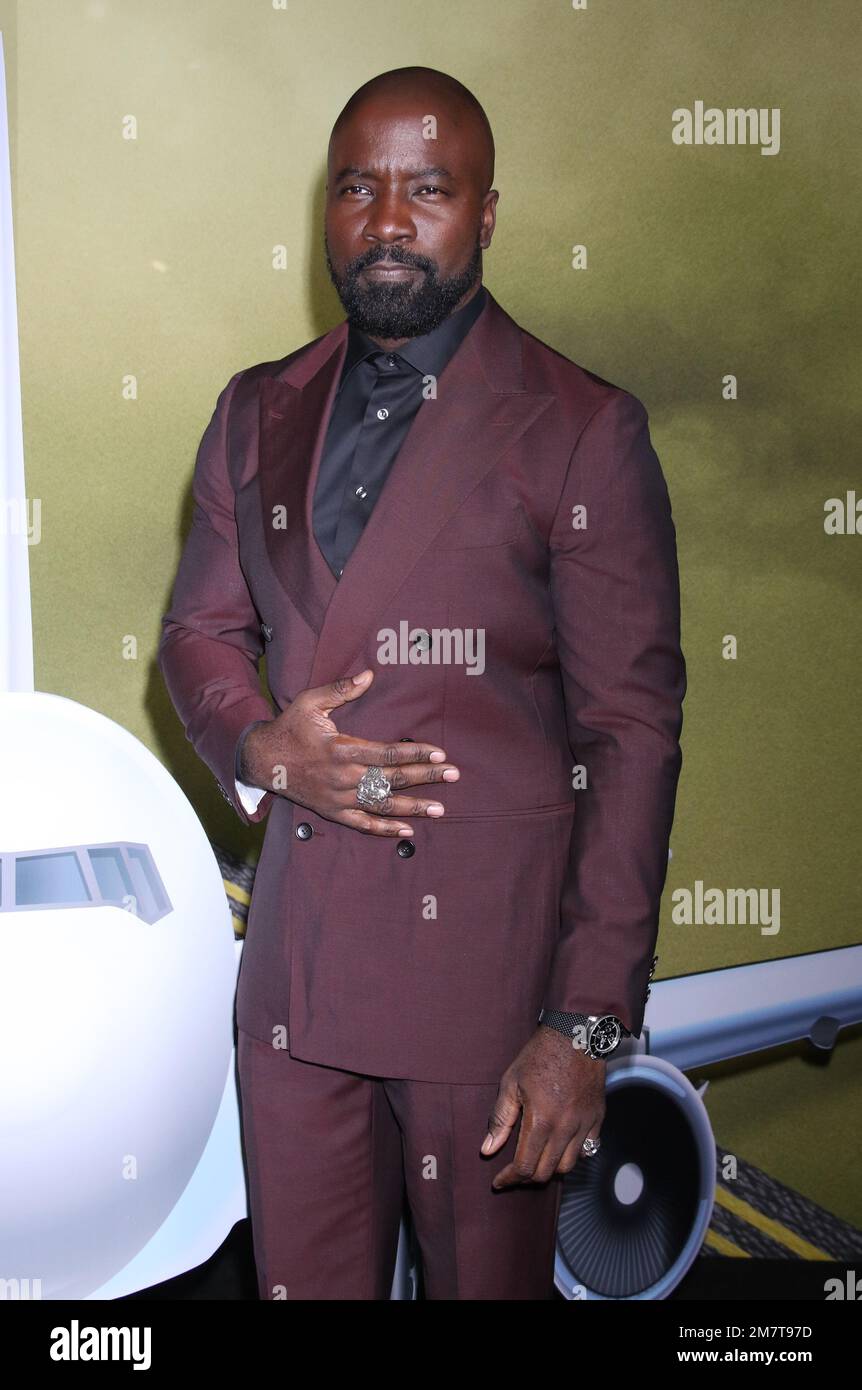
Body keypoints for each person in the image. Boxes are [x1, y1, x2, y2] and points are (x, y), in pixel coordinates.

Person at [158, 65, 686, 1300]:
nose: (388, 220)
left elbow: (631, 736)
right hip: (295, 981)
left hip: (490, 1006)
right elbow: (196, 633)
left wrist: (585, 1025)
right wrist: (257, 746)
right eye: (358, 188)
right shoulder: (253, 412)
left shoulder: (579, 426)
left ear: (486, 213)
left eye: (427, 190)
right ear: (326, 210)